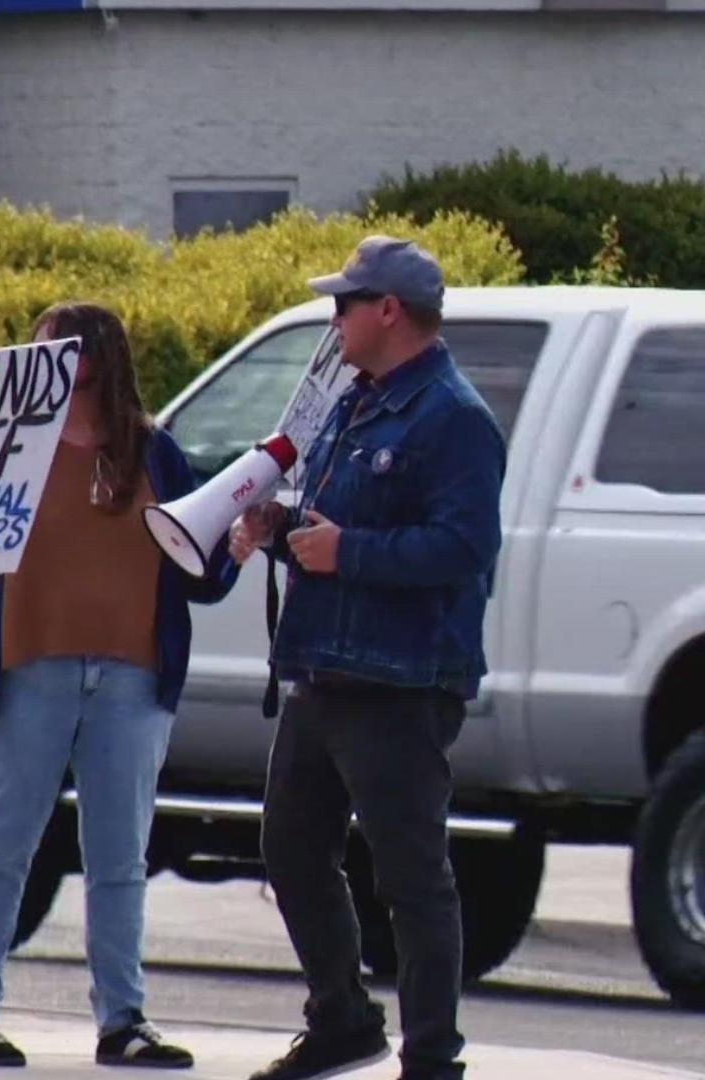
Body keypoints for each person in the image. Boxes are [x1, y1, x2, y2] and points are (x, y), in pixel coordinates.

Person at [229, 237, 504, 1080]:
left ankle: (432, 1057)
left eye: (347, 303)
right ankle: (343, 1019)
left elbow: (462, 549)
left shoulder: (452, 417)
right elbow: (327, 525)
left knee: (411, 876)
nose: (335, 317)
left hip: (399, 680)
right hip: (323, 666)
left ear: (390, 310)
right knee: (291, 851)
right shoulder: (356, 401)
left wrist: (348, 553)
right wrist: (280, 532)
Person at [0, 303, 234, 1072]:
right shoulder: (4, 445)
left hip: (131, 677)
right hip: (28, 666)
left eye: (60, 350)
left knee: (119, 854)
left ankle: (123, 1019)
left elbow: (199, 576)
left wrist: (238, 539)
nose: (44, 363)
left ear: (99, 358)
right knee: (0, 843)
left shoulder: (155, 454)